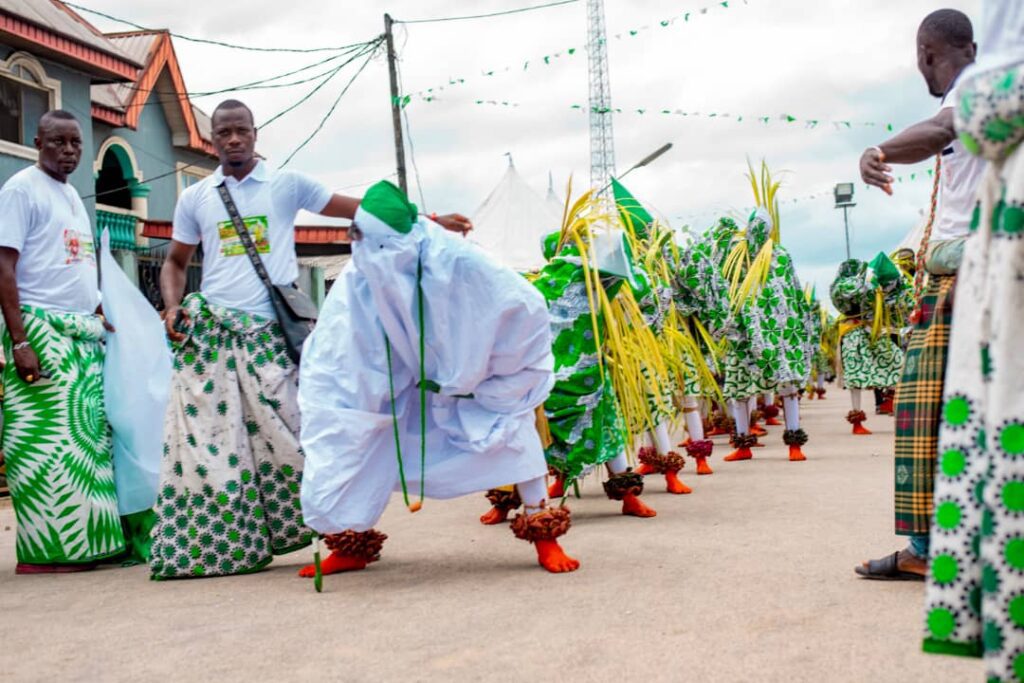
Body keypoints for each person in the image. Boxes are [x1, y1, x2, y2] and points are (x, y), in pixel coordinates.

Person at [149, 100, 470, 579]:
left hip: (272, 337)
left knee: (301, 435)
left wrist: (429, 221)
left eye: (241, 131)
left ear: (255, 134)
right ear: (211, 139)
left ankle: (345, 535)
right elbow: (174, 263)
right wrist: (173, 306)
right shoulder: (196, 198)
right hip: (212, 336)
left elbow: (364, 211)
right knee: (211, 446)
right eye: (223, 133)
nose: (233, 140)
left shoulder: (286, 185)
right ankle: (219, 548)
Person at [298, 180, 579, 576]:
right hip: (399, 379)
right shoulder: (364, 265)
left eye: (371, 242)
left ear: (400, 241)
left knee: (515, 437)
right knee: (356, 437)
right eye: (358, 240)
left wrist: (484, 373)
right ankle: (351, 542)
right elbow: (342, 340)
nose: (364, 251)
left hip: (469, 380)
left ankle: (544, 536)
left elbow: (522, 305)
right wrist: (362, 394)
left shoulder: (459, 261)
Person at [856, 9, 986, 581]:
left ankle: (932, 550)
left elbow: (943, 131)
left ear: (927, 54)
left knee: (933, 417)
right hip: (964, 273)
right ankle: (934, 547)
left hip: (971, 277)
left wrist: (879, 152)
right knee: (944, 418)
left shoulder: (983, 88)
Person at [920, 0, 1024, 678]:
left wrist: (877, 150)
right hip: (983, 253)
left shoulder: (980, 84)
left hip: (999, 257)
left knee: (998, 429)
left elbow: (991, 108)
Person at [0, 110, 131, 573]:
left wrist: (98, 308)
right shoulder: (20, 190)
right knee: (49, 447)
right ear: (38, 142)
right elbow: (4, 267)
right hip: (39, 331)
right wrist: (19, 342)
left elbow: (70, 263)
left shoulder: (73, 193)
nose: (70, 150)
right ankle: (48, 554)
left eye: (76, 143)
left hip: (80, 333)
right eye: (59, 142)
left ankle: (88, 546)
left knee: (85, 443)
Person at [829, 255, 908, 436]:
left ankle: (889, 399)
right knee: (859, 375)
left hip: (865, 332)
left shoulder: (841, 288)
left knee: (896, 362)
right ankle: (860, 419)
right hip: (857, 333)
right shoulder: (848, 288)